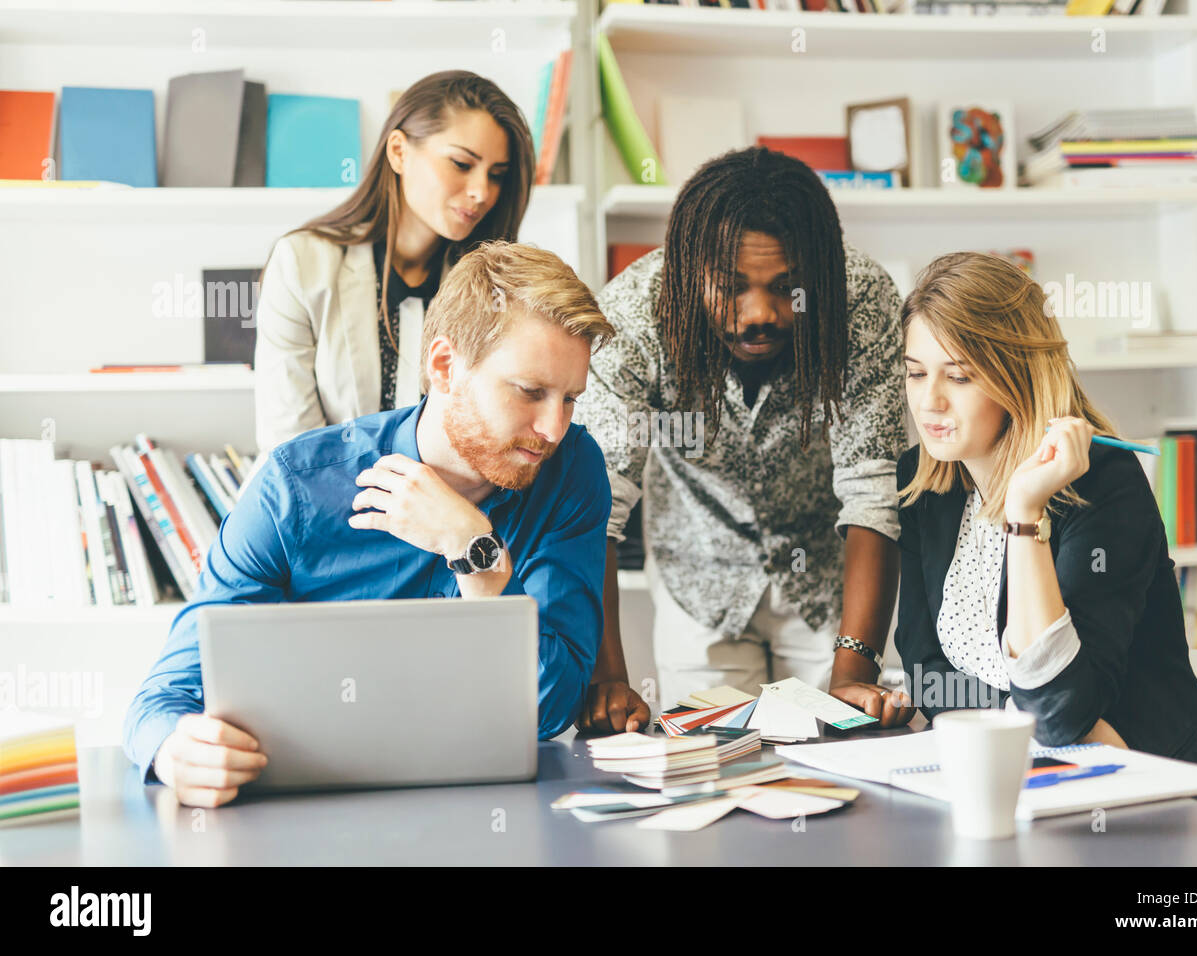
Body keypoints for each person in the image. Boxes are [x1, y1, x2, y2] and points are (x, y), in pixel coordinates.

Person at [123, 241, 615, 808]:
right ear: (445, 367)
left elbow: (551, 708)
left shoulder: (571, 472)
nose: (553, 428)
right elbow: (165, 697)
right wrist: (175, 750)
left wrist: (475, 552)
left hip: (490, 818)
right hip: (308, 818)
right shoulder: (296, 488)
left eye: (570, 399)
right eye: (530, 392)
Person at [894, 250, 1197, 830]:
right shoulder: (927, 481)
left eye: (959, 375)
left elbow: (1059, 714)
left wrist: (1025, 517)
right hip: (1024, 793)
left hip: (1163, 809)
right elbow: (925, 666)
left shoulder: (1102, 484)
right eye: (916, 372)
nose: (930, 402)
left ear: (1014, 373)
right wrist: (1013, 729)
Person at [575, 146, 914, 733]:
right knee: (713, 774)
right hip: (698, 576)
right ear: (688, 274)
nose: (760, 313)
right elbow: (597, 505)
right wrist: (606, 679)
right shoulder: (631, 316)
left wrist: (853, 671)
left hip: (829, 581)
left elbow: (872, 493)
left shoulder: (862, 301)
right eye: (730, 287)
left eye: (787, 288)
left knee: (836, 769)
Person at [254, 70, 535, 453]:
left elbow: (494, 437)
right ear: (398, 151)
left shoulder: (498, 290)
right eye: (461, 164)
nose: (482, 192)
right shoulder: (302, 264)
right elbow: (291, 448)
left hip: (448, 505)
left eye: (497, 175)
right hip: (318, 505)